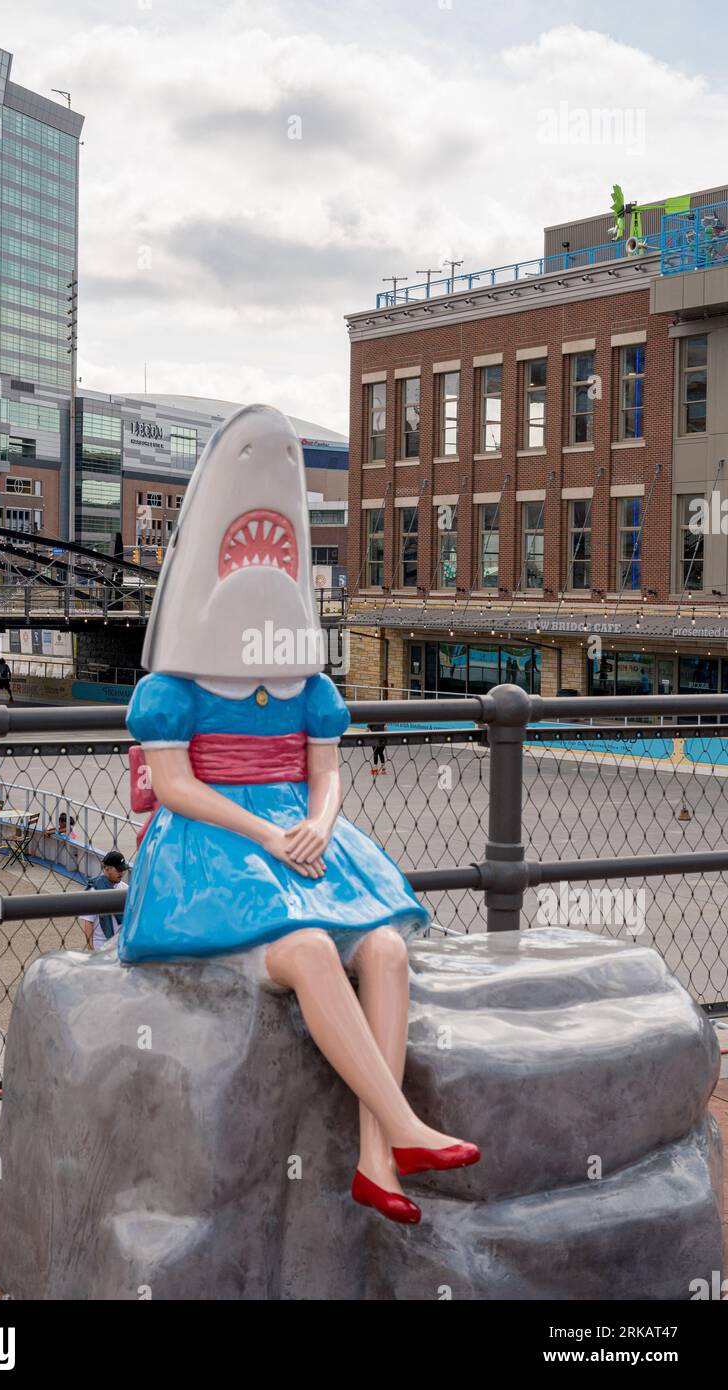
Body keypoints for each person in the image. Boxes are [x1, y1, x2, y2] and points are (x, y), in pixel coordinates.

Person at [118, 404, 479, 1229]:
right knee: (312, 949)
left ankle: (377, 1161)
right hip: (211, 847)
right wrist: (264, 833)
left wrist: (318, 820)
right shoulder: (170, 692)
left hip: (301, 834)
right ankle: (404, 1125)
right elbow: (174, 788)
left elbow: (328, 774)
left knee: (385, 947)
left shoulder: (312, 691)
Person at [80, 850, 128, 951]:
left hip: (120, 945)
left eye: (123, 870)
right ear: (106, 868)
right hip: (101, 946)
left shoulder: (126, 889)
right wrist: (90, 948)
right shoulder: (94, 890)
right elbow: (88, 922)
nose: (121, 873)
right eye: (118, 870)